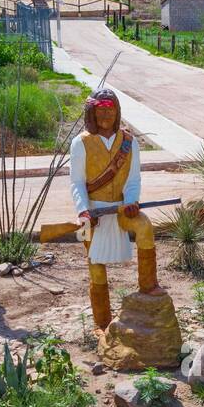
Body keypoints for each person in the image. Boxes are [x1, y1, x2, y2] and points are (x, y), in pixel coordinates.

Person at [69, 89, 161, 330]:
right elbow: (76, 183)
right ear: (92, 113)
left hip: (121, 211)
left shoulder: (129, 142)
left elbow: (133, 179)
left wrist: (131, 201)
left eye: (110, 109)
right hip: (91, 214)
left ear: (117, 111)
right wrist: (83, 211)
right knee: (95, 266)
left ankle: (149, 285)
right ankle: (102, 324)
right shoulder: (80, 143)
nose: (106, 115)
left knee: (144, 226)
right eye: (101, 110)